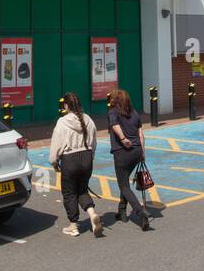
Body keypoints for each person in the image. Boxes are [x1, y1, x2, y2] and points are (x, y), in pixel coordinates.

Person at [48, 92, 103, 238]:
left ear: (66, 106)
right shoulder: (88, 120)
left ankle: (73, 225)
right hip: (86, 158)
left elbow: (56, 144)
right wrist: (91, 157)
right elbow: (94, 142)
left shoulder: (62, 122)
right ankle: (92, 214)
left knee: (69, 192)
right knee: (82, 190)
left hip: (70, 159)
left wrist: (54, 162)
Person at [107, 88, 151, 230]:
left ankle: (139, 211)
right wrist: (142, 152)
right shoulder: (134, 113)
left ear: (115, 100)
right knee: (124, 180)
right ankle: (122, 212)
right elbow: (141, 133)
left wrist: (123, 138)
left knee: (123, 186)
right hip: (137, 151)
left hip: (122, 152)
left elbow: (115, 125)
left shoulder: (113, 112)